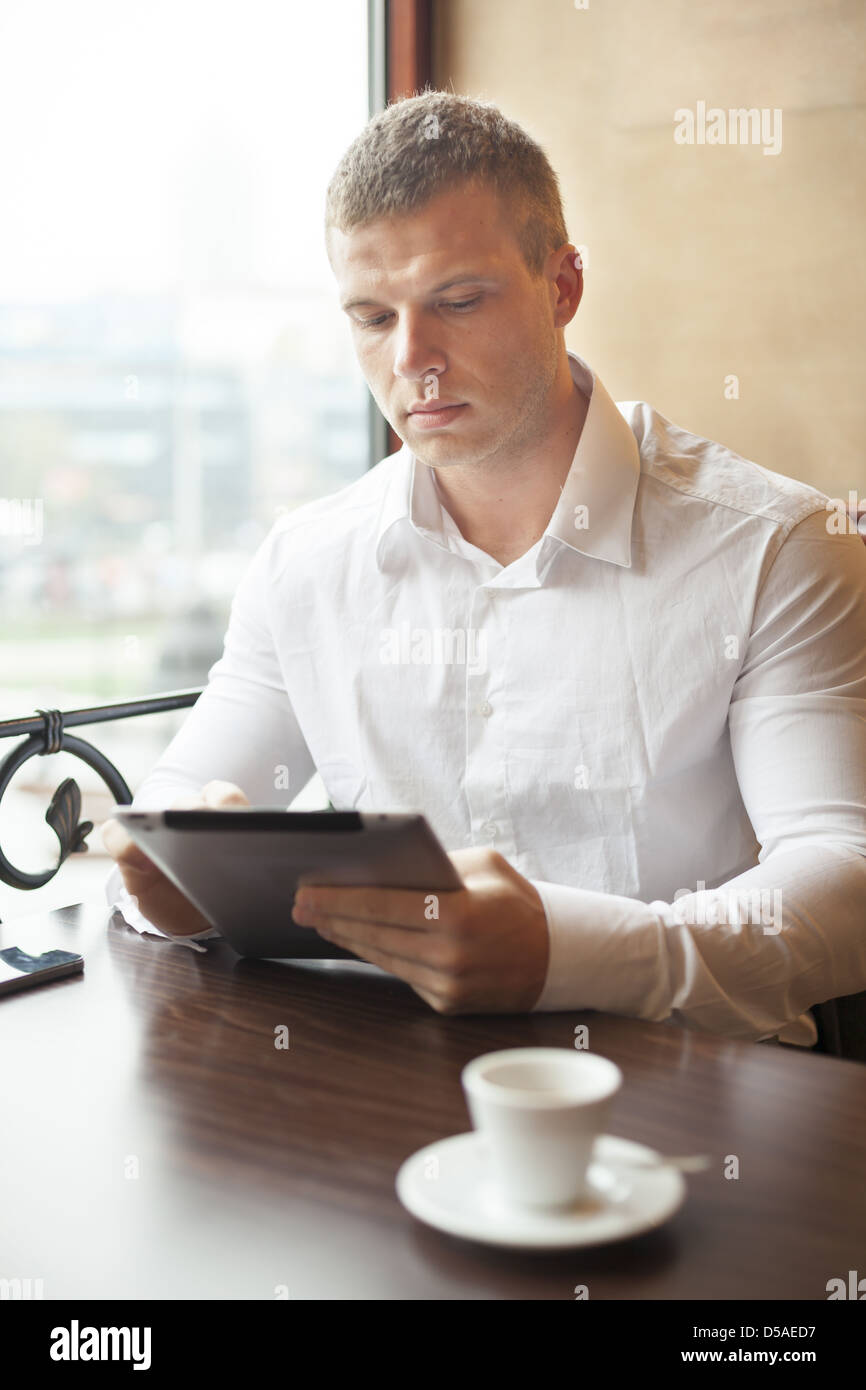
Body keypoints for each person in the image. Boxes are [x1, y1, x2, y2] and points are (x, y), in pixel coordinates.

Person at [102, 90, 866, 1046]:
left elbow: (845, 875)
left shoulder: (778, 544)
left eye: (457, 301)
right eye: (373, 317)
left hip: (697, 1094)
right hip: (385, 1091)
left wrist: (574, 954)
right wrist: (172, 892)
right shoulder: (305, 565)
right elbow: (176, 817)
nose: (412, 359)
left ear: (563, 287)